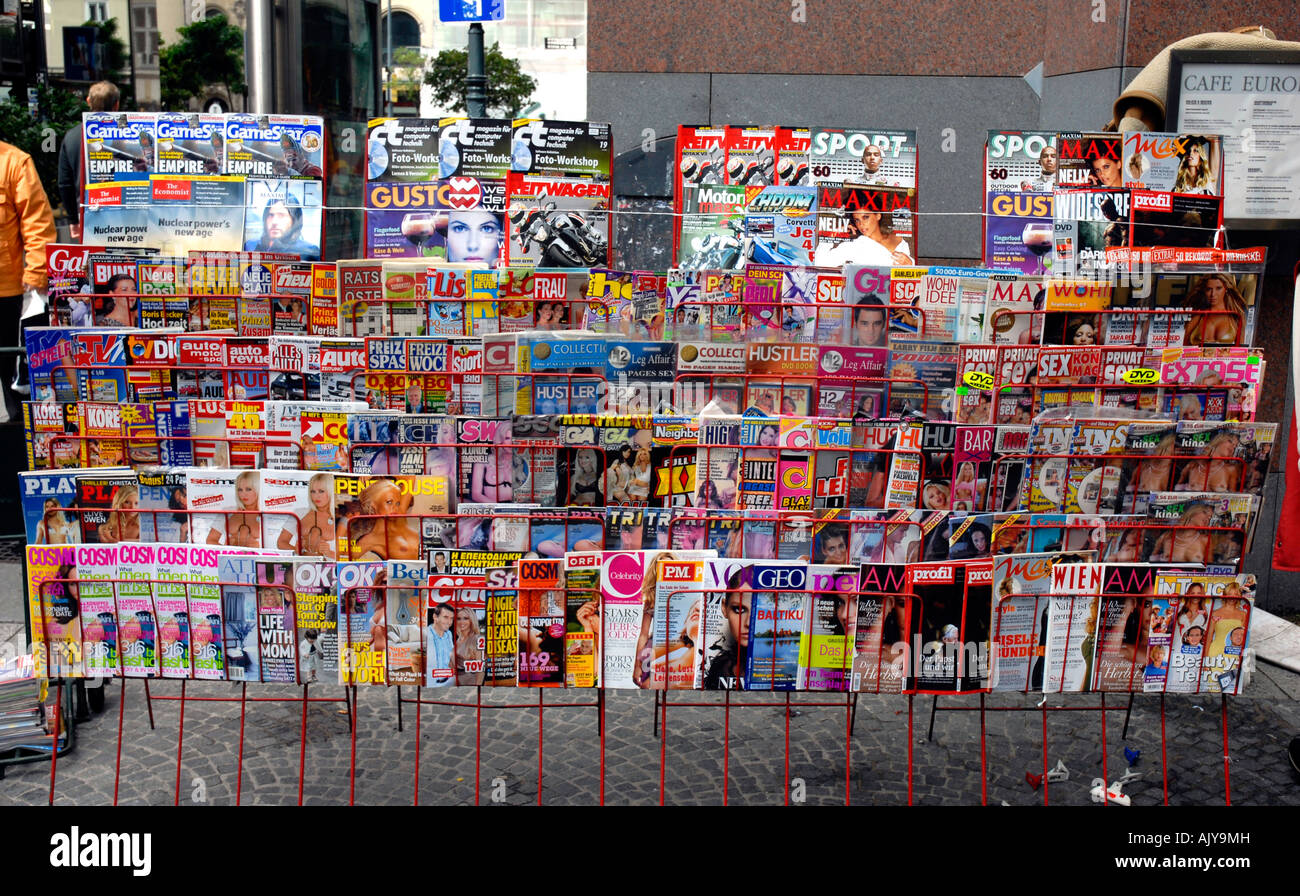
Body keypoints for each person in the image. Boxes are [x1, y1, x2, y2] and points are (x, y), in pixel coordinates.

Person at [1, 133, 57, 419]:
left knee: (6, 368)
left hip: (5, 291)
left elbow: (37, 222)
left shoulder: (14, 163)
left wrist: (36, 272)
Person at [58, 81, 120, 241]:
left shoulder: (71, 137)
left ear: (88, 102)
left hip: (86, 218)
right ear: (117, 105)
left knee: (91, 265)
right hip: (126, 220)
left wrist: (73, 219)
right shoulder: (128, 136)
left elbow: (65, 183)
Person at [244, 194, 320, 260]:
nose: (274, 222)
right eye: (271, 215)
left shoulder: (309, 251)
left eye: (281, 215)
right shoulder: (250, 246)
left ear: (294, 220)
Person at [1183, 272, 1248, 345]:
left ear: (1226, 289)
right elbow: (1185, 347)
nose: (1213, 294)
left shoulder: (1235, 316)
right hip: (1197, 356)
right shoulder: (1198, 315)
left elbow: (1240, 350)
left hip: (1226, 355)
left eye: (1218, 288)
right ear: (1204, 290)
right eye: (1208, 289)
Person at [424, 602, 455, 686]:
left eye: (451, 618)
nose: (449, 622)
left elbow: (452, 655)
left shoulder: (449, 634)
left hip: (449, 680)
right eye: (445, 617)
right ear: (435, 617)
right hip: (430, 682)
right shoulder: (425, 633)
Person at [454, 608, 485, 686]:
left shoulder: (477, 639)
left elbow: (481, 669)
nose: (461, 622)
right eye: (459, 619)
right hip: (457, 683)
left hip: (471, 683)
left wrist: (477, 687)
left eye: (465, 618)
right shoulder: (459, 638)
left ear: (471, 620)